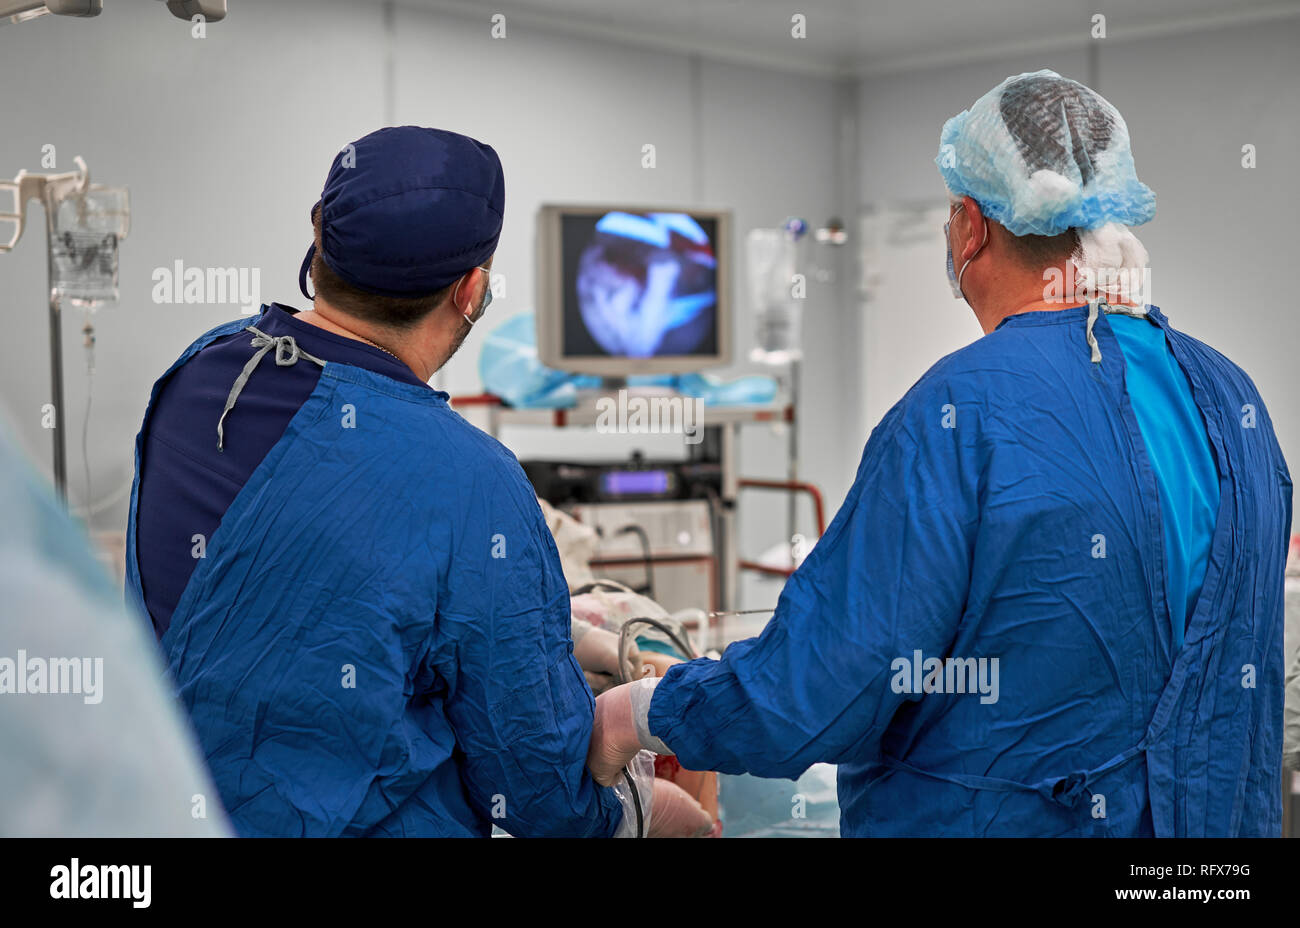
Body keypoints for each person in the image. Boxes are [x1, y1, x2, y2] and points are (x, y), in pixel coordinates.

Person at [587, 70, 1294, 837]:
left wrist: (636, 713)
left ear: (970, 226)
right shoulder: (1231, 395)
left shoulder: (961, 410)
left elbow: (821, 688)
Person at [126, 126, 711, 838]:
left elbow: (318, 591)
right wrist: (640, 815)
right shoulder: (472, 478)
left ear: (321, 239)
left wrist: (555, 629)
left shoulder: (201, 370)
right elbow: (536, 788)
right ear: (472, 291)